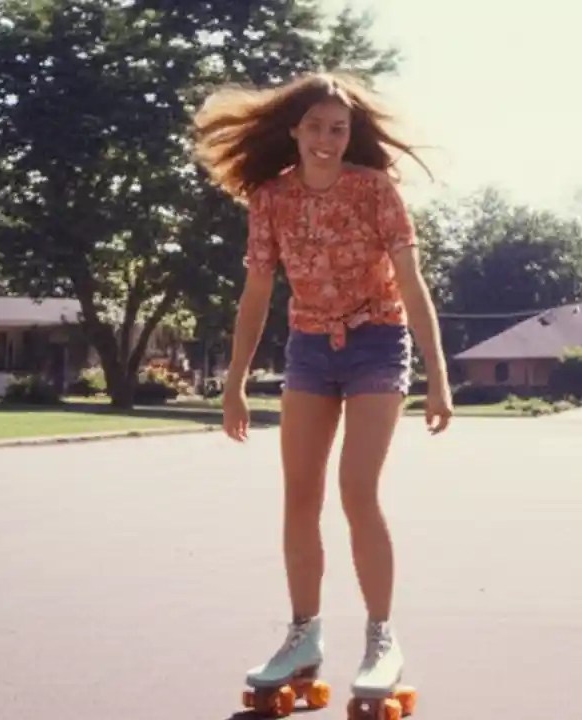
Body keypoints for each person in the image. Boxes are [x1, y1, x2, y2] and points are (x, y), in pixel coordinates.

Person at [192, 71, 454, 703]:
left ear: (349, 135)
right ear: (294, 131)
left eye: (338, 129)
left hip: (376, 342)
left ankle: (382, 638)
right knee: (299, 497)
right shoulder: (270, 199)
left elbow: (412, 283)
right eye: (314, 127)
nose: (326, 140)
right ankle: (304, 635)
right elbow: (256, 294)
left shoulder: (376, 192)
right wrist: (234, 384)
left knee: (357, 491)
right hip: (309, 348)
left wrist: (439, 375)